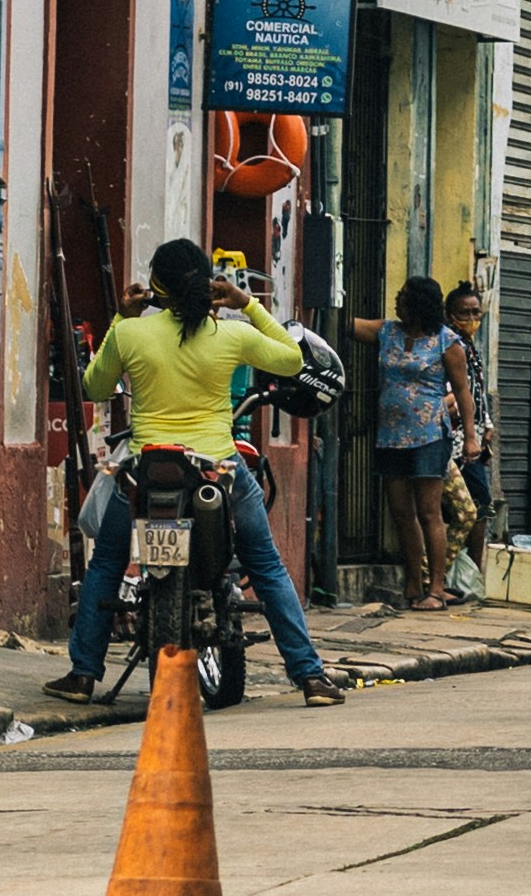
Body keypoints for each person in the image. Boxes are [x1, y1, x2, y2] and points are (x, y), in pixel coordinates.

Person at [50, 238, 338, 705]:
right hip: (217, 471)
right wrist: (249, 305)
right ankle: (311, 677)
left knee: (106, 561)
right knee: (265, 565)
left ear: (156, 287)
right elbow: (291, 358)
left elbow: (95, 385)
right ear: (208, 284)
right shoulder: (231, 335)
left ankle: (83, 673)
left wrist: (123, 317)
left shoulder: (131, 334)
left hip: (147, 470)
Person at [369, 276, 463, 616]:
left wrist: (472, 437)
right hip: (391, 436)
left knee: (428, 512)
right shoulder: (388, 332)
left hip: (429, 435)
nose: (397, 302)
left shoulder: (445, 341)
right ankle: (412, 583)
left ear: (419, 304)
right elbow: (344, 323)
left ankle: (436, 588)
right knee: (401, 513)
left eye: (404, 297)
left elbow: (463, 392)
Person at [444, 281, 498, 554]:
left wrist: (485, 423)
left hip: (472, 438)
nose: (472, 319)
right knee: (478, 503)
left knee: (474, 505)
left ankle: (469, 573)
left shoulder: (469, 346)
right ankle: (468, 571)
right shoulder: (450, 344)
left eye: (476, 312)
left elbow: (475, 389)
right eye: (464, 313)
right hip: (454, 440)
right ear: (450, 314)